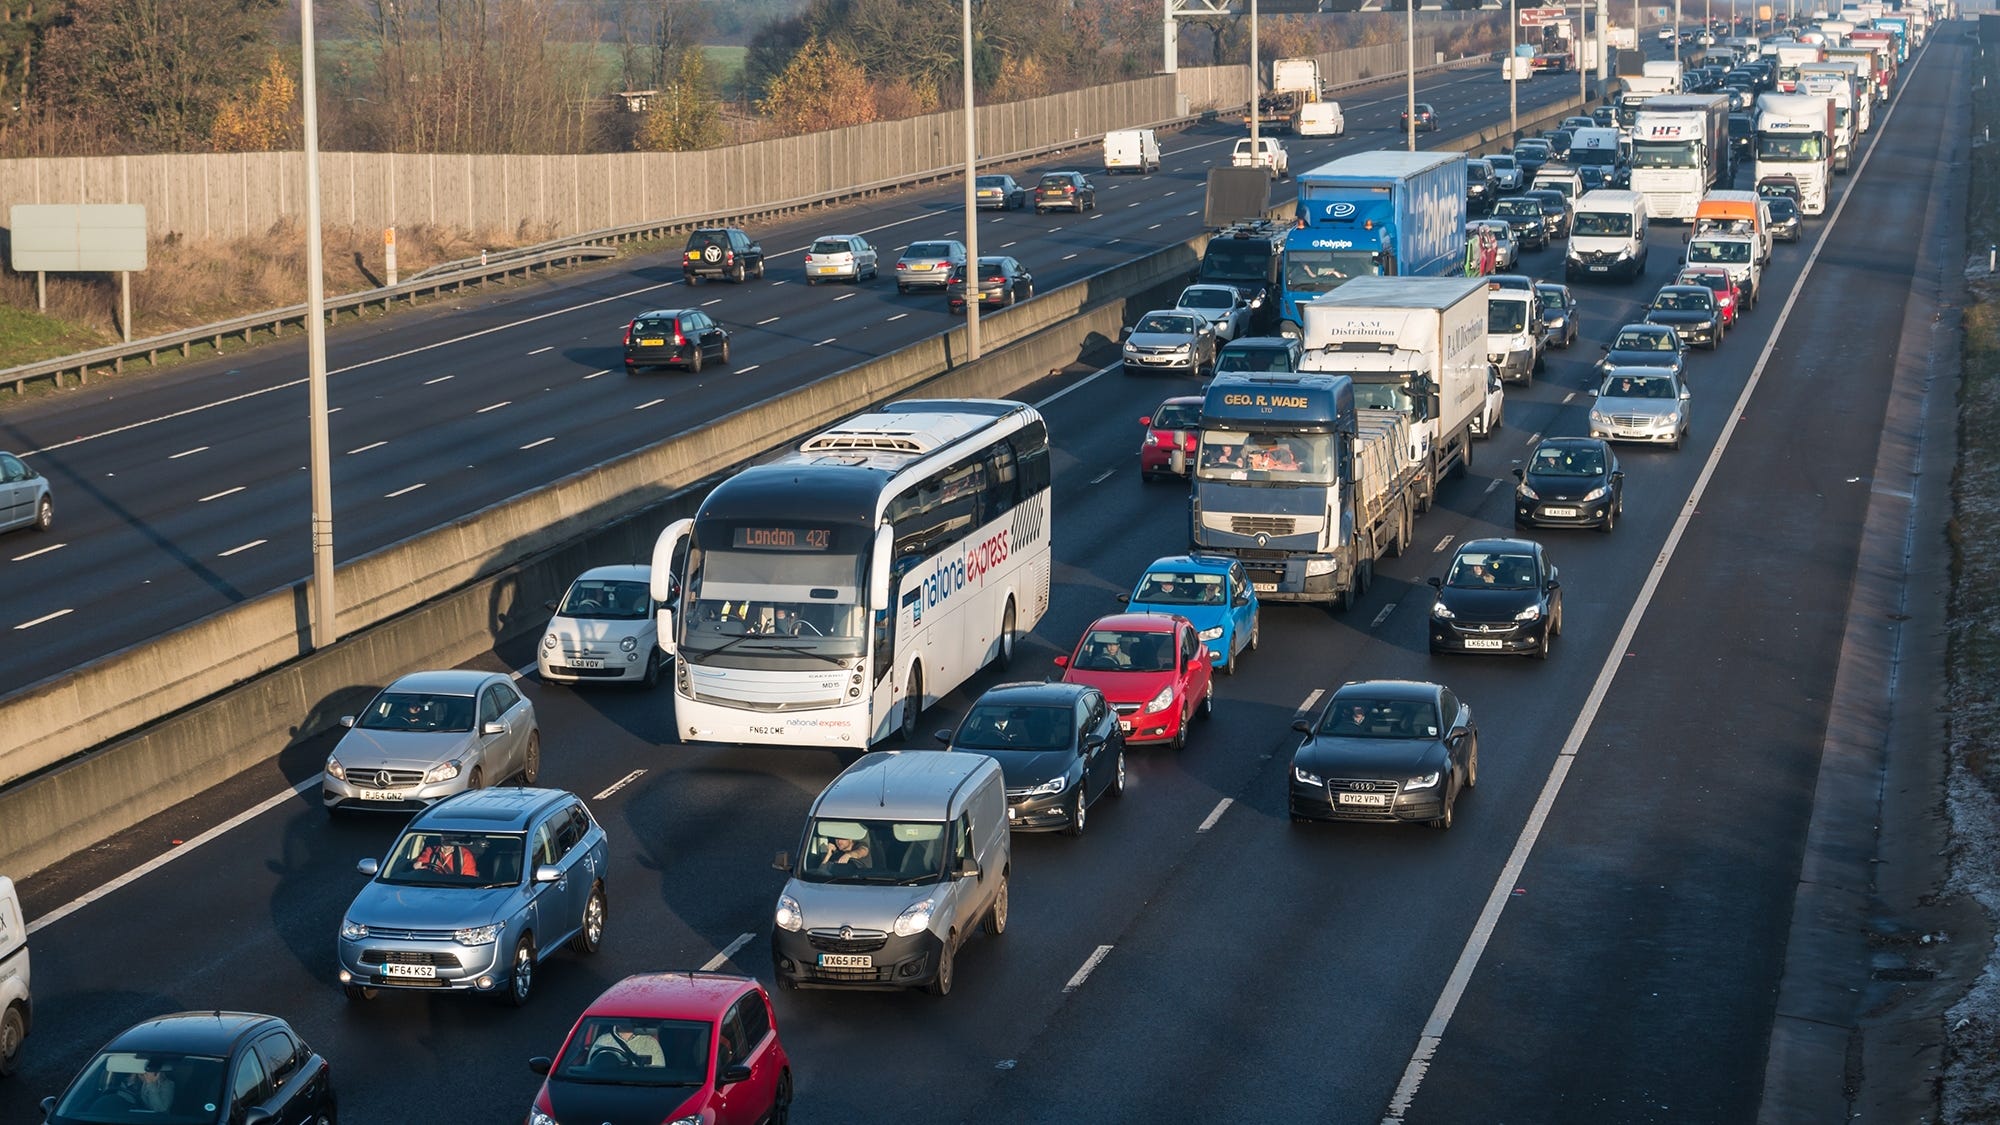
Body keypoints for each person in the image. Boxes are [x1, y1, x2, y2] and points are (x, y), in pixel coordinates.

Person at [592, 1023, 666, 1068]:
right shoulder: (603, 1040)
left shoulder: (650, 1043)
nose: (625, 1021)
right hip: (608, 1086)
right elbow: (591, 1068)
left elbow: (658, 1072)